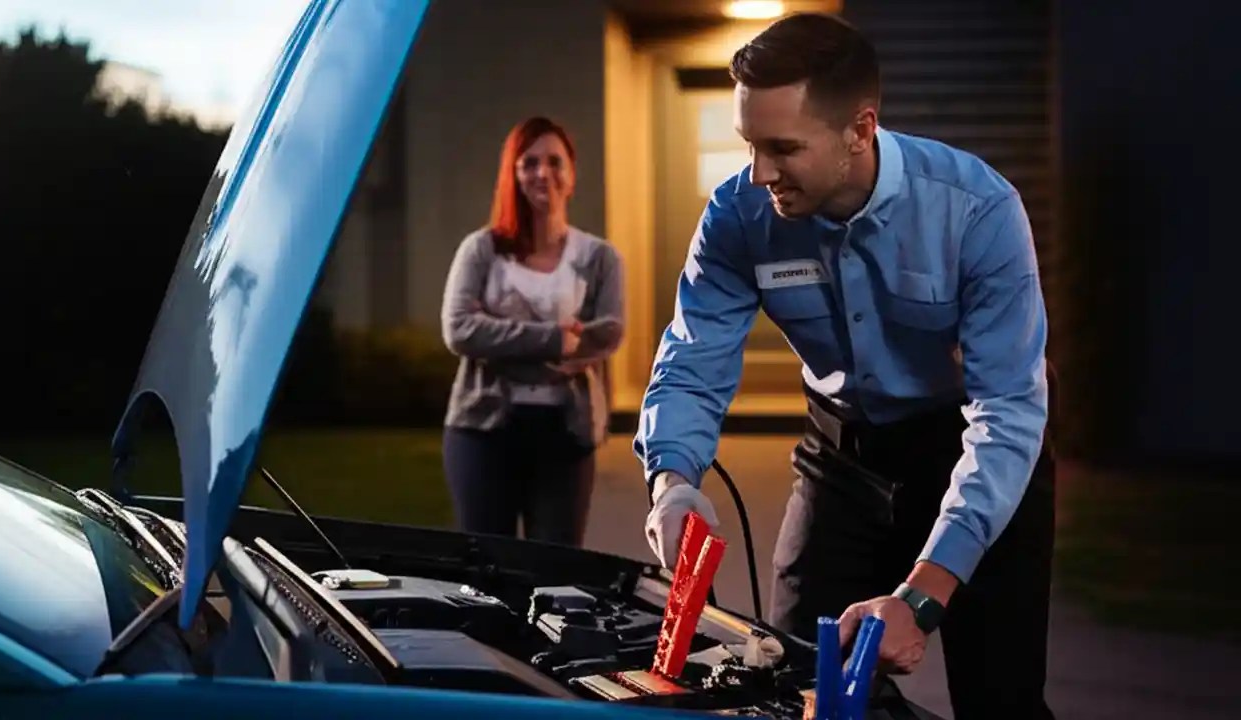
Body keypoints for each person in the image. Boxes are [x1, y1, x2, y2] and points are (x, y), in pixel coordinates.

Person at [633, 13, 1054, 719]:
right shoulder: (739, 216)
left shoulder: (978, 212)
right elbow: (692, 356)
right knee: (797, 684)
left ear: (860, 130)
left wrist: (922, 597)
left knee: (1000, 702)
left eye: (783, 148)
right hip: (841, 457)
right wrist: (673, 482)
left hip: (973, 452)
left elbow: (1008, 413)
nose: (760, 173)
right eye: (750, 145)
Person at [440, 115, 625, 548]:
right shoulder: (481, 250)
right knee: (486, 570)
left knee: (555, 572)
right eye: (530, 162)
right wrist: (554, 339)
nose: (544, 173)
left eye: (555, 161)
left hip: (566, 433)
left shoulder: (600, 257)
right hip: (482, 432)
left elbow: (608, 332)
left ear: (572, 174)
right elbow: (460, 329)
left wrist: (501, 343)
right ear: (513, 173)